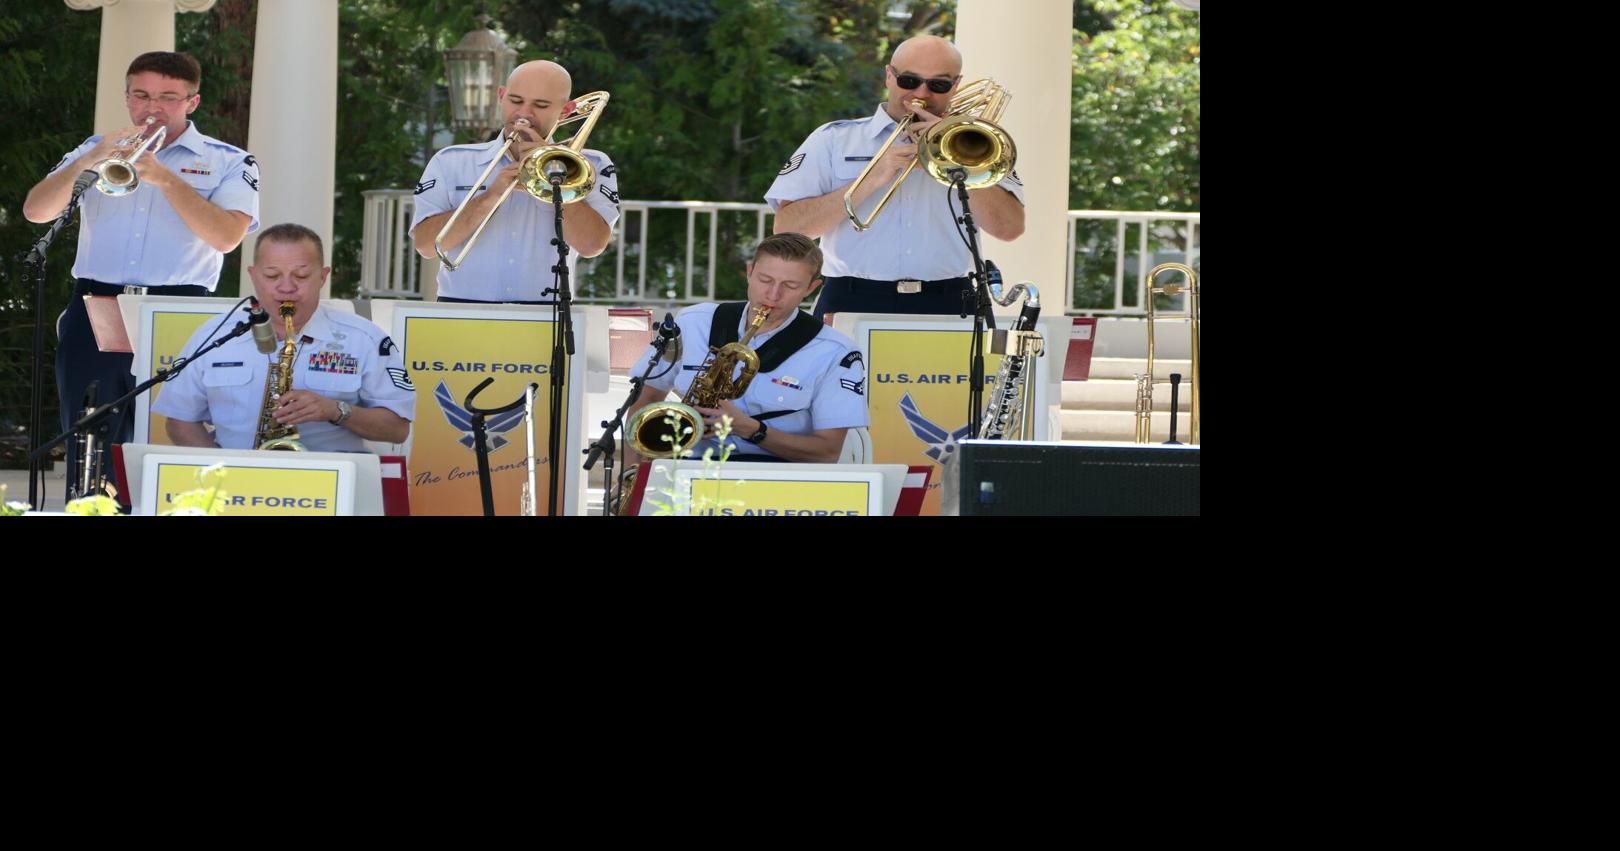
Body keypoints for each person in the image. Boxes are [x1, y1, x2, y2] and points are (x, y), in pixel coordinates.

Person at [24, 50, 260, 483]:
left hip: (178, 306)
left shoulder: (230, 160)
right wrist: (87, 160)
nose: (153, 108)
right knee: (88, 429)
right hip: (100, 302)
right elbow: (37, 211)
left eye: (169, 97)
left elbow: (228, 237)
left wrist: (166, 178)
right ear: (128, 99)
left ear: (192, 102)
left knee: (168, 428)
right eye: (142, 95)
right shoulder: (95, 149)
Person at [764, 35, 1025, 318]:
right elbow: (787, 229)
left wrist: (955, 160)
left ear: (956, 86)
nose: (922, 94)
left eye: (938, 84)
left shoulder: (979, 143)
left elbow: (1009, 229)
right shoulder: (834, 139)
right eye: (909, 81)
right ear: (889, 76)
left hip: (949, 299)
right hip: (852, 297)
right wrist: (871, 178)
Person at [154, 224, 414, 451]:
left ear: (323, 277)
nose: (286, 287)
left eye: (301, 276)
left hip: (330, 486)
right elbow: (180, 421)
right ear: (253, 276)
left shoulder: (365, 339)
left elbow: (397, 429)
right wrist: (223, 475)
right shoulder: (214, 335)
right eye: (272, 275)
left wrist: (336, 410)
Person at [624, 233, 868, 465]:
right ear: (749, 272)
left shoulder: (836, 352)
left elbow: (827, 452)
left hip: (779, 477)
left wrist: (749, 429)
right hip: (688, 466)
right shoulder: (692, 322)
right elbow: (646, 398)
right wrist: (630, 475)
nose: (773, 295)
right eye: (765, 280)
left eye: (790, 285)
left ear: (811, 288)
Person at [410, 59, 620, 303]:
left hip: (547, 316)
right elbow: (426, 246)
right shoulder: (451, 161)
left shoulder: (591, 164)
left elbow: (592, 245)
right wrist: (490, 197)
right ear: (501, 96)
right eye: (516, 101)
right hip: (461, 312)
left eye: (540, 105)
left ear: (566, 111)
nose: (524, 114)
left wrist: (550, 178)